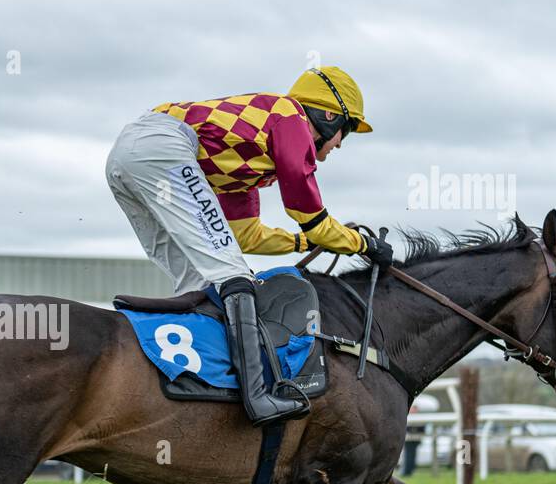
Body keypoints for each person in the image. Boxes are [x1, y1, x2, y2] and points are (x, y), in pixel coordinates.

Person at [106, 66, 394, 427]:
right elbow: (309, 213)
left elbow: (246, 235)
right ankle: (257, 397)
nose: (339, 144)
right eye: (345, 131)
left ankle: (198, 385)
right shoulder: (291, 119)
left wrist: (303, 242)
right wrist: (363, 245)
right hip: (161, 147)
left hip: (129, 158)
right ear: (328, 115)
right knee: (233, 275)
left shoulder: (247, 158)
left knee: (199, 281)